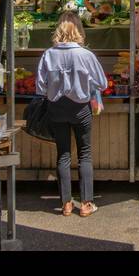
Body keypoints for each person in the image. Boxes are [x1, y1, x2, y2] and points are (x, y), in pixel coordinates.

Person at [34, 12, 108, 217]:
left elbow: (40, 87)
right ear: (79, 30)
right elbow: (102, 83)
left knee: (63, 154)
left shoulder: (48, 55)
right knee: (84, 153)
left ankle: (66, 203)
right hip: (80, 108)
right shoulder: (85, 55)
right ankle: (86, 204)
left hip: (55, 108)